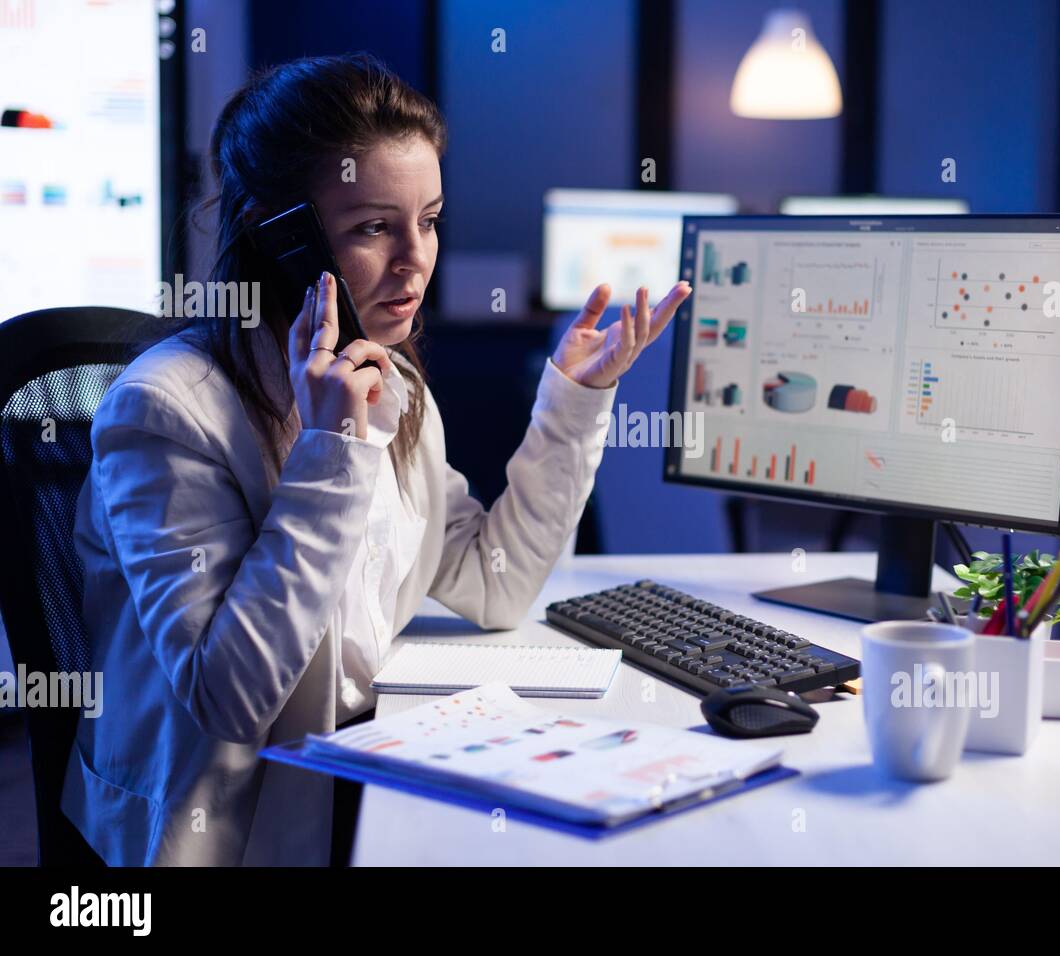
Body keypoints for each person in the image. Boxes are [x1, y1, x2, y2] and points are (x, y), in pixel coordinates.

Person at [61, 52, 692, 865]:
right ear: (276, 234)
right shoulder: (166, 413)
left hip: (365, 772)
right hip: (225, 834)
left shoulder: (390, 381)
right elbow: (230, 700)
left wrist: (571, 400)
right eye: (371, 227)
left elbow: (494, 583)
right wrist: (331, 450)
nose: (415, 259)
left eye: (428, 219)